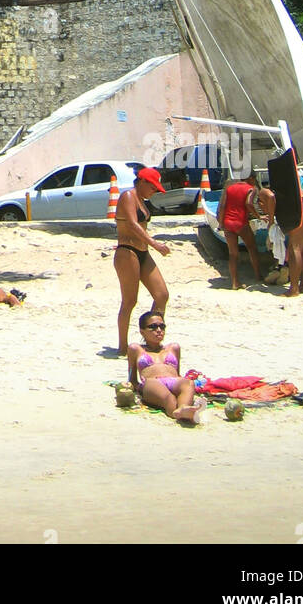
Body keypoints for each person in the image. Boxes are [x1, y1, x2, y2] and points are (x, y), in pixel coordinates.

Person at [114, 166, 170, 355]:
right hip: (127, 251)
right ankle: (123, 347)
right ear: (143, 181)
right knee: (129, 301)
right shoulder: (128, 196)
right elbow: (132, 223)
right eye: (153, 187)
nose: (154, 192)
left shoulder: (142, 200)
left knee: (162, 294)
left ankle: (151, 337)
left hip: (143, 252)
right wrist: (156, 244)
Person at [127, 310, 205, 424]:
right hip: (152, 382)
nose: (159, 330)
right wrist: (139, 389)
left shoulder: (174, 348)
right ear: (142, 332)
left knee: (188, 383)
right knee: (170, 400)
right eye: (153, 327)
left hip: (173, 381)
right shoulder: (135, 349)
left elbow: (177, 374)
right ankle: (177, 412)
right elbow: (132, 379)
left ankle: (183, 408)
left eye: (162, 326)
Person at [218, 167, 263, 290]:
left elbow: (222, 206)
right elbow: (249, 203)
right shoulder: (251, 188)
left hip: (227, 222)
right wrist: (259, 216)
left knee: (233, 254)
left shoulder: (230, 188)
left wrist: (221, 223)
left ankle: (235, 282)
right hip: (240, 222)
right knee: (252, 248)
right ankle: (258, 276)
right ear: (251, 178)